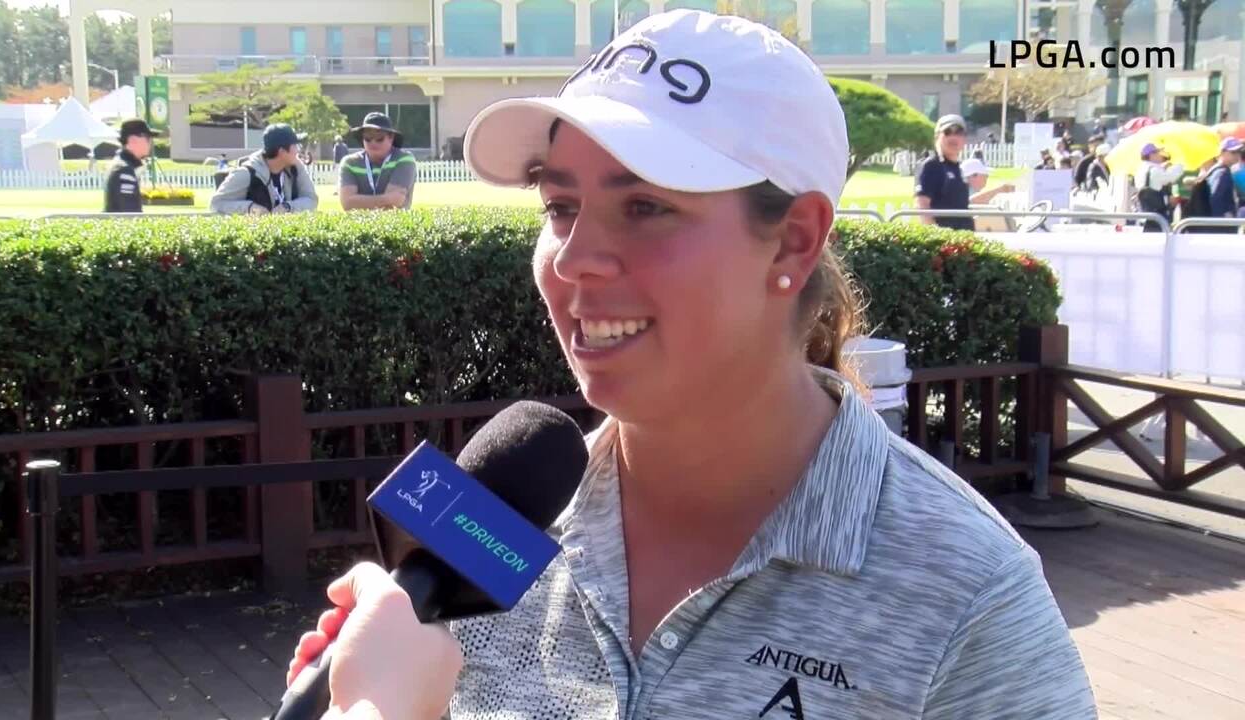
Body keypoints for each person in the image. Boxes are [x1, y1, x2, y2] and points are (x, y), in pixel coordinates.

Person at [289, 10, 1095, 719]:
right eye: (559, 206)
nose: (573, 261)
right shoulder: (500, 527)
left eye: (645, 206)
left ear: (793, 239)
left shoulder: (968, 600)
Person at [209, 123, 319, 214]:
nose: (298, 151)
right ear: (282, 151)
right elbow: (216, 204)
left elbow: (311, 200)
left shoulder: (296, 168)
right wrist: (249, 208)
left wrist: (288, 207)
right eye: (295, 146)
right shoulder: (248, 173)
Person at [338, 111, 417, 211]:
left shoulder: (404, 159)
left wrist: (358, 202)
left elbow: (396, 200)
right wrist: (386, 199)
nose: (373, 142)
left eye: (379, 138)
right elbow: (347, 203)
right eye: (368, 138)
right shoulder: (349, 163)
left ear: (391, 138)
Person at [915, 114, 974, 230]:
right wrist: (937, 237)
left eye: (958, 132)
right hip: (946, 242)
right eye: (947, 132)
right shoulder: (931, 165)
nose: (953, 137)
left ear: (964, 139)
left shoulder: (957, 168)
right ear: (937, 137)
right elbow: (922, 206)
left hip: (964, 239)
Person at [104, 118, 156, 213]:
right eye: (147, 138)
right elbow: (129, 213)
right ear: (133, 140)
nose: (151, 143)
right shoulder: (124, 171)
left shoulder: (121, 165)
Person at [1133, 143, 1184, 231]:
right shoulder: (1154, 170)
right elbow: (1171, 176)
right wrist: (1180, 164)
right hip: (1157, 217)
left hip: (1144, 215)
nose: (1160, 155)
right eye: (1158, 152)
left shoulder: (1141, 169)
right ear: (1151, 155)